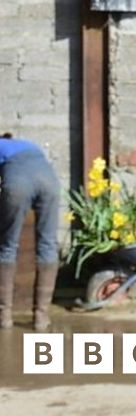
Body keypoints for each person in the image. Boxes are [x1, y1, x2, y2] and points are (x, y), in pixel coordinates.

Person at [0, 132, 61, 330]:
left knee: (8, 245)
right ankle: (41, 317)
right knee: (48, 244)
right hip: (49, 181)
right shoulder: (29, 145)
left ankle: (4, 316)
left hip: (18, 182)